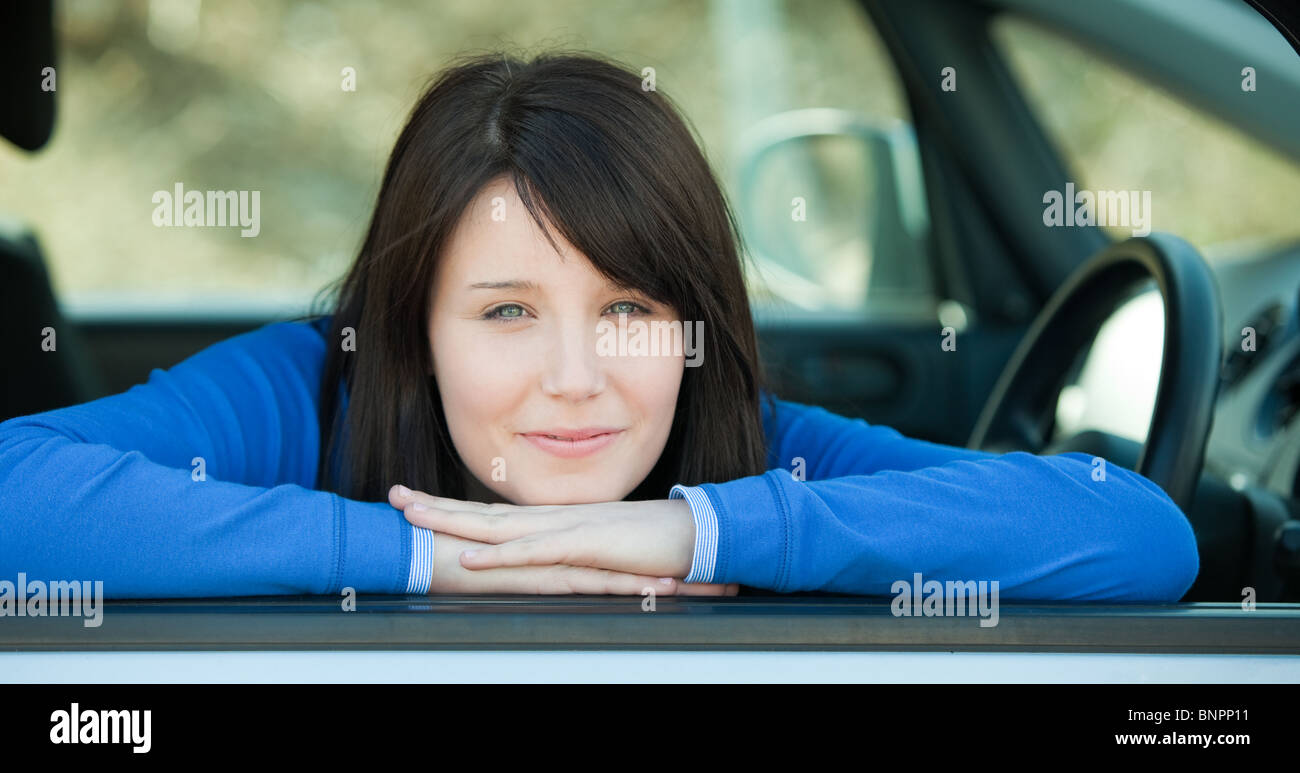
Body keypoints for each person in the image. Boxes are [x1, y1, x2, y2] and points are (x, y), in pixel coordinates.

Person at [0, 51, 1199, 601]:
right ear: (413, 329)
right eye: (508, 311)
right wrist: (441, 562)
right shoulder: (305, 395)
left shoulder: (754, 446)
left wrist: (686, 536)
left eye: (628, 307)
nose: (576, 377)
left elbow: (1140, 535)